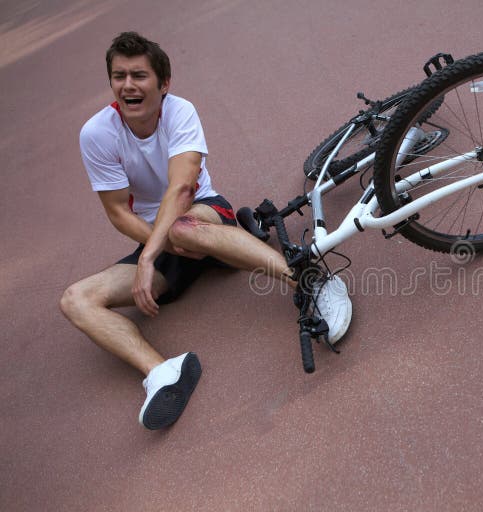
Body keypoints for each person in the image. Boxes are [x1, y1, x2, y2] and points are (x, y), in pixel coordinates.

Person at [60, 32, 351, 430]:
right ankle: (163, 373)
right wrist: (152, 250)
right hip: (161, 241)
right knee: (75, 300)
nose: (128, 85)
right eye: (119, 76)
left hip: (202, 214)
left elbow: (181, 190)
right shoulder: (96, 134)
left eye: (139, 76)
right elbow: (116, 211)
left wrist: (148, 256)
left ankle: (310, 279)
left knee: (181, 226)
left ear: (164, 84)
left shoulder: (180, 113)